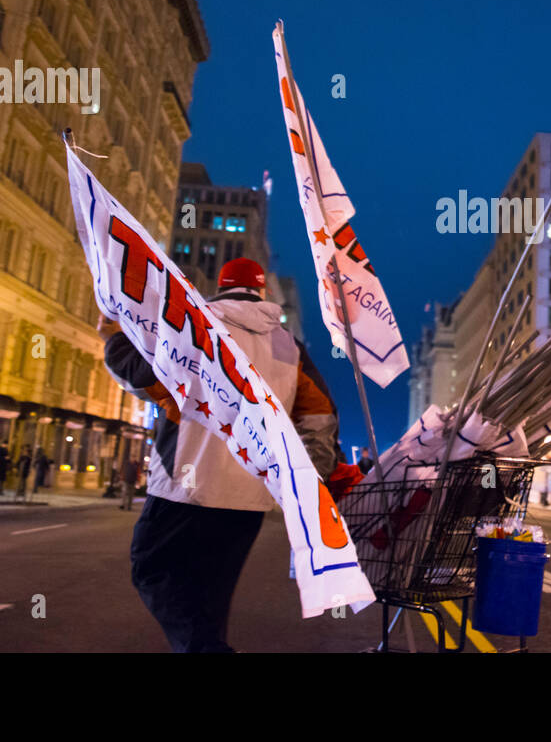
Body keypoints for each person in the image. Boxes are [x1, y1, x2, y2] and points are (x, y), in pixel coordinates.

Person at [101, 256, 358, 653]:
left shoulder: (193, 326)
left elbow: (143, 377)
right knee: (213, 593)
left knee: (152, 567)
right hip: (249, 493)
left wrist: (115, 339)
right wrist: (306, 478)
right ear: (262, 293)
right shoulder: (289, 347)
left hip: (186, 484)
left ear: (220, 286)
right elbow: (321, 414)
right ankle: (207, 645)